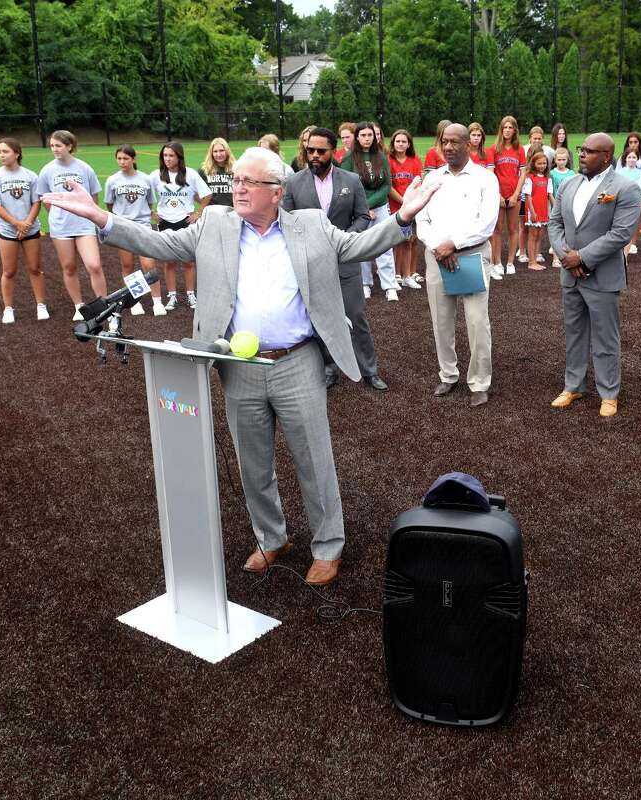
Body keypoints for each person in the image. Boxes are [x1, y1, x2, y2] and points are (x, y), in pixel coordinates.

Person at [42, 146, 438, 586]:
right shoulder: (214, 223)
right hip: (237, 364)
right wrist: (100, 217)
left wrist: (404, 217)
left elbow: (360, 246)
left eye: (249, 181)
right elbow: (159, 243)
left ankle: (328, 547)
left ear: (276, 191)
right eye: (237, 179)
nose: (239, 187)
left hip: (298, 361)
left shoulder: (308, 225)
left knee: (314, 460)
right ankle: (272, 539)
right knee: (253, 463)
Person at [282, 127, 391, 393]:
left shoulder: (351, 180)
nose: (315, 156)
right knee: (316, 320)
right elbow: (284, 221)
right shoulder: (294, 182)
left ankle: (369, 371)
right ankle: (329, 368)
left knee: (356, 316)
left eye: (321, 151)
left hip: (345, 262)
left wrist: (344, 239)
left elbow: (363, 216)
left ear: (333, 151)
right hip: (310, 265)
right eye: (311, 151)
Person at [547, 133, 641, 418]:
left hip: (602, 276)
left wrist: (583, 257)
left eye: (589, 151)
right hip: (570, 273)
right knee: (574, 332)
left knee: (606, 336)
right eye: (582, 149)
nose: (582, 155)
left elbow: (621, 234)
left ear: (605, 157)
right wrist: (567, 256)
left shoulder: (625, 188)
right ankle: (573, 385)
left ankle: (609, 392)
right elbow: (554, 223)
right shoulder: (568, 183)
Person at [416, 123, 500, 407]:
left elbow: (486, 222)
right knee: (441, 320)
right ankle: (448, 375)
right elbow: (421, 219)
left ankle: (479, 381)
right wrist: (440, 247)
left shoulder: (485, 178)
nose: (448, 147)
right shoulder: (433, 179)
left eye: (454, 142)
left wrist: (454, 244)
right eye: (444, 141)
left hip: (472, 256)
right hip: (437, 256)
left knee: (477, 321)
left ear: (469, 144)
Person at [36, 129, 107, 321]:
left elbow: (93, 197)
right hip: (61, 227)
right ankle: (79, 306)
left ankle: (104, 305)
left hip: (84, 225)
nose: (54, 149)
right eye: (52, 145)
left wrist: (86, 215)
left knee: (94, 265)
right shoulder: (47, 170)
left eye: (58, 145)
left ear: (69, 146)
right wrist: (58, 216)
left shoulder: (84, 168)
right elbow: (45, 199)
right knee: (69, 267)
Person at [0, 137, 46, 323]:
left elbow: (37, 202)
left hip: (30, 229)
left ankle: (41, 305)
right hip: (8, 231)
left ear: (17, 153)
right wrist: (17, 224)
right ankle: (8, 309)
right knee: (9, 271)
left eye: (5, 151)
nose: (1, 155)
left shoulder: (30, 176)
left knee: (34, 269)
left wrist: (26, 223)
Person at [340, 121, 399, 302]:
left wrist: (370, 204)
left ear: (375, 137)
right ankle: (365, 284)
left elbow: (386, 185)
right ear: (357, 137)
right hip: (358, 210)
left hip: (380, 208)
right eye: (363, 135)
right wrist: (363, 207)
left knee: (385, 247)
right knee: (362, 247)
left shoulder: (380, 156)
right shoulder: (349, 158)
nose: (367, 138)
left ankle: (389, 285)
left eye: (370, 135)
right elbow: (346, 184)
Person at [104, 145, 165, 316]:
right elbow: (109, 205)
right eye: (119, 158)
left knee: (149, 264)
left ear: (133, 159)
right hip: (122, 226)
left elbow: (149, 202)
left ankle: (157, 301)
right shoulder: (112, 180)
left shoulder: (145, 179)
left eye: (125, 158)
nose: (122, 162)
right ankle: (136, 300)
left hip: (143, 226)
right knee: (128, 264)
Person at [151, 141, 211, 311]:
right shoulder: (156, 175)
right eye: (165, 155)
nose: (167, 159)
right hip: (165, 222)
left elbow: (207, 195)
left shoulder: (190, 174)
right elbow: (146, 195)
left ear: (179, 157)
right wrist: (152, 213)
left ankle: (191, 294)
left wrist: (198, 213)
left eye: (171, 155)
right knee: (169, 261)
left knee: (188, 261)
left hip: (185, 222)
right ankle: (172, 296)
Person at [487, 115, 527, 280]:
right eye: (505, 127)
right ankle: (497, 262)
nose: (508, 130)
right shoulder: (493, 149)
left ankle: (510, 262)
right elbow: (491, 173)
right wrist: (497, 195)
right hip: (498, 195)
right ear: (501, 129)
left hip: (514, 195)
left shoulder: (520, 150)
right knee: (497, 230)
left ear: (515, 130)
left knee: (513, 229)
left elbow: (523, 173)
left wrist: (516, 194)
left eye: (511, 128)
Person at [388, 129, 423, 290]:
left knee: (409, 241)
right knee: (396, 242)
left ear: (409, 144)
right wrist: (404, 201)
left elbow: (418, 184)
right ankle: (395, 275)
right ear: (393, 143)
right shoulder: (388, 160)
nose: (401, 144)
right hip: (395, 206)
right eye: (398, 141)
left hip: (411, 207)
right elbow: (388, 186)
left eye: (404, 141)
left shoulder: (415, 160)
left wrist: (410, 203)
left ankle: (407, 275)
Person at [520, 149, 552, 270]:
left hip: (543, 211)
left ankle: (535, 259)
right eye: (539, 163)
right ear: (534, 164)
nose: (542, 166)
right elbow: (528, 196)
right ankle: (531, 262)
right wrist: (532, 212)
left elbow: (548, 196)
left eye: (544, 163)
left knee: (539, 236)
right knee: (532, 236)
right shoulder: (530, 178)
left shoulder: (546, 178)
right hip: (533, 211)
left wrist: (549, 211)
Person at [548, 147, 576, 268]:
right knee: (556, 232)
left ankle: (569, 255)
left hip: (568, 206)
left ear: (567, 159)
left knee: (568, 230)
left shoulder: (571, 173)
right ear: (555, 160)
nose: (561, 162)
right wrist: (555, 204)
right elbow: (550, 191)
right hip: (555, 205)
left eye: (563, 159)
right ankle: (556, 258)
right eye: (559, 159)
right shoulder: (552, 173)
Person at [618, 150, 641, 256]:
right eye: (629, 157)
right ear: (625, 159)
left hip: (633, 203)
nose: (631, 160)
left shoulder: (639, 173)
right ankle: (619, 246)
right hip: (621, 203)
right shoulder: (620, 172)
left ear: (637, 159)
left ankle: (629, 249)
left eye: (634, 157)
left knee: (631, 225)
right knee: (620, 225)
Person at [199, 138, 235, 209]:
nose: (218, 154)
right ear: (211, 153)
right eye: (215, 151)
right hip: (212, 212)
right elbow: (194, 191)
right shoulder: (204, 170)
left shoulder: (236, 169)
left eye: (222, 150)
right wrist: (205, 204)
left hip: (232, 212)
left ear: (227, 151)